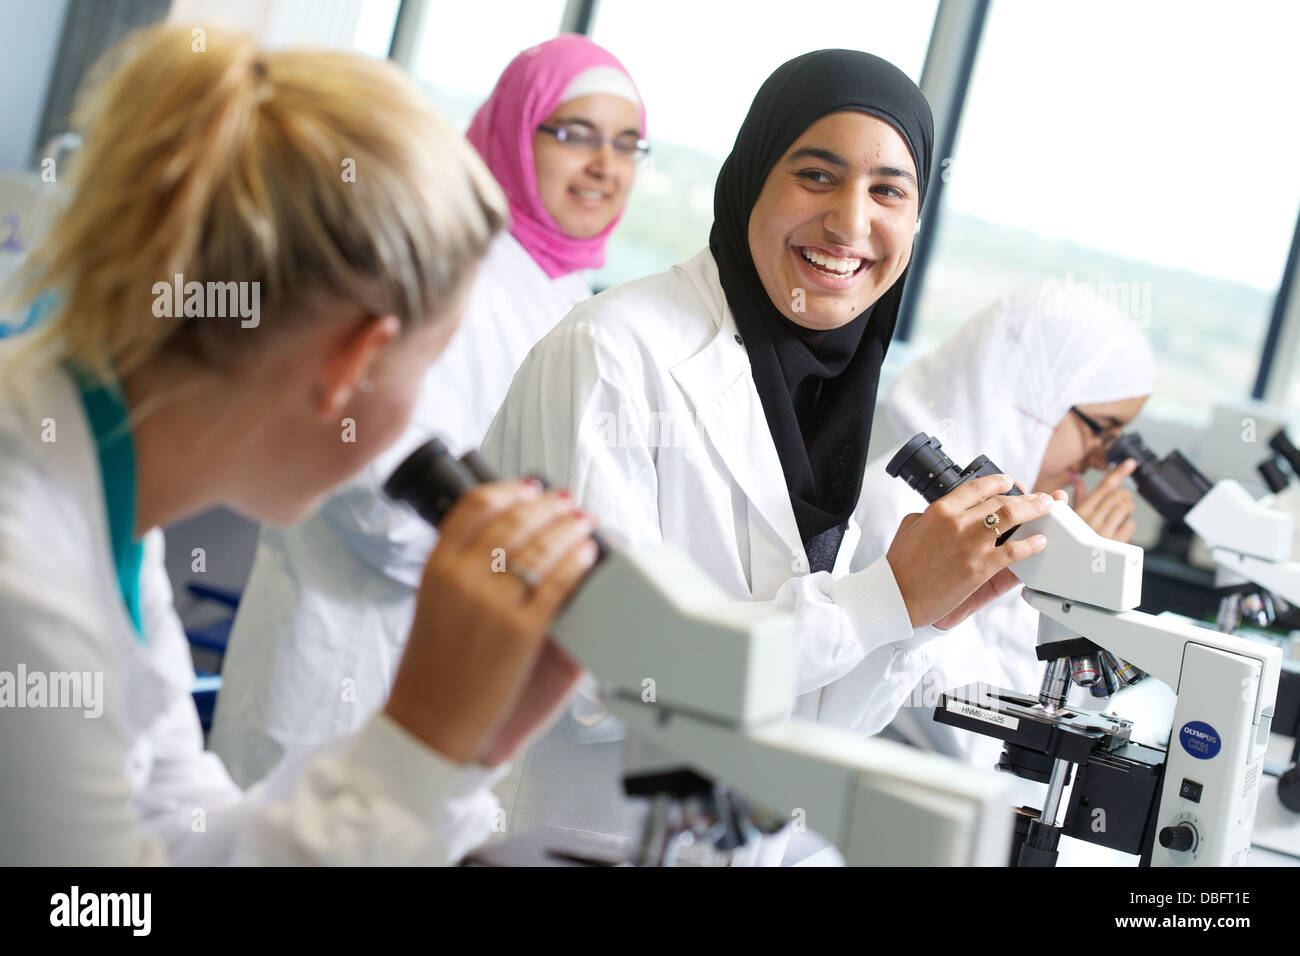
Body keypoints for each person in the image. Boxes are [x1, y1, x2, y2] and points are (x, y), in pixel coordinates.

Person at [0, 25, 598, 865]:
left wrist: (465, 746)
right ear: (352, 361)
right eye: (426, 367)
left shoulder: (111, 503)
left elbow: (177, 837)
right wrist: (417, 749)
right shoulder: (24, 574)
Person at [480, 49, 1059, 847]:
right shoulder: (613, 352)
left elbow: (806, 720)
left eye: (889, 190)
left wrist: (919, 616)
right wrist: (881, 599)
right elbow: (603, 675)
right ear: (752, 176)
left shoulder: (839, 400)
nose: (851, 222)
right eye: (817, 176)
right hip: (577, 838)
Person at [209, 35, 646, 787]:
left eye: (628, 144)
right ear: (513, 129)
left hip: (470, 666)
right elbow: (366, 486)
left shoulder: (574, 302)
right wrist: (512, 563)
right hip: (341, 648)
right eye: (575, 134)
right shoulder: (440, 263)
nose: (605, 166)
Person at [856, 282, 1156, 766]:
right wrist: (1068, 584)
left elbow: (1081, 709)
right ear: (1034, 397)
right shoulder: (900, 513)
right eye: (1102, 431)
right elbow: (987, 738)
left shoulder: (1008, 509)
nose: (1102, 461)